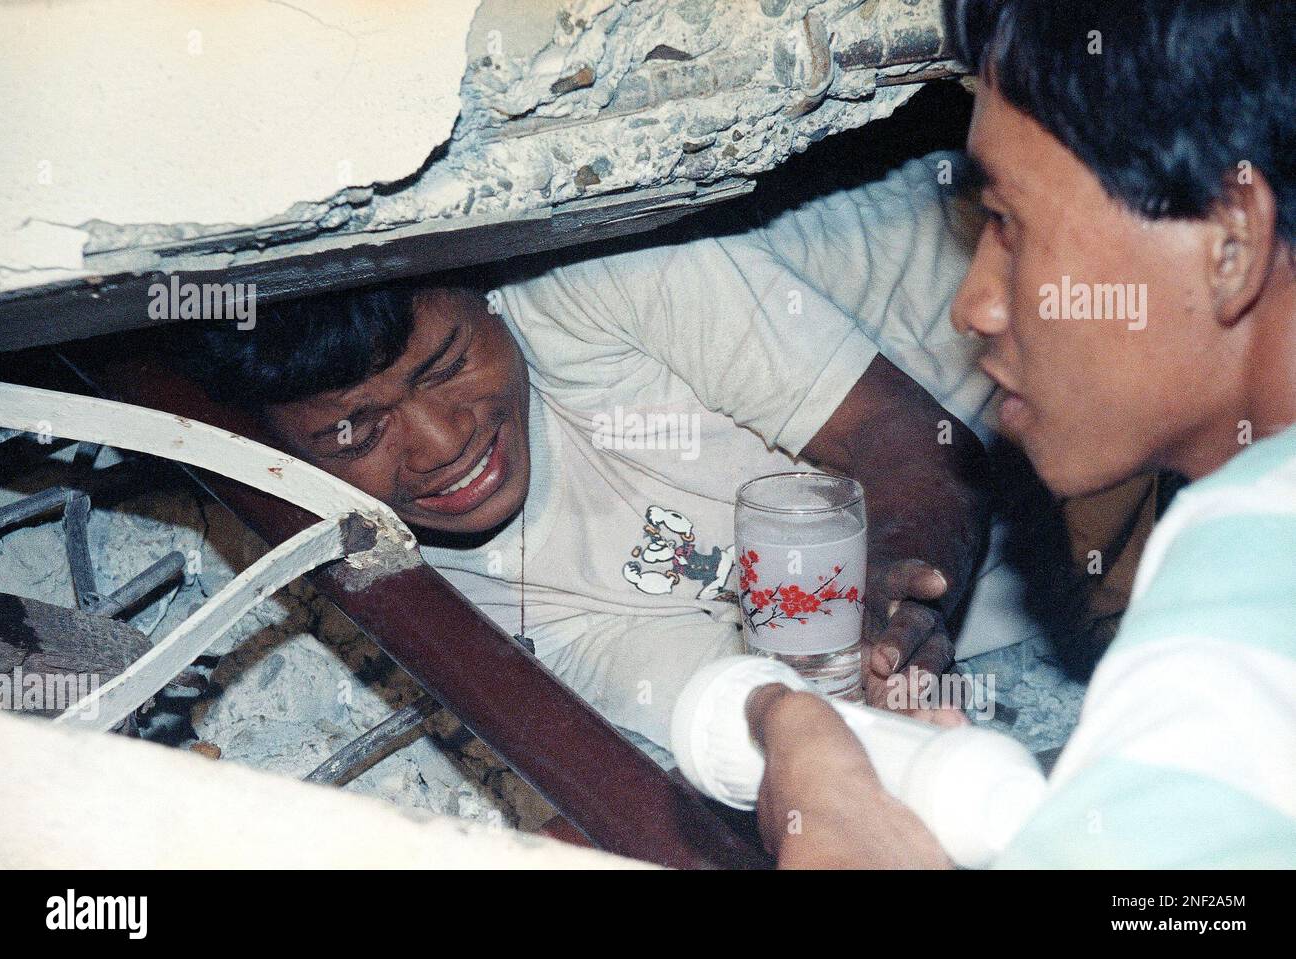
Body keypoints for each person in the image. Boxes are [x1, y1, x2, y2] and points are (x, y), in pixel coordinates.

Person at [178, 151, 1025, 750]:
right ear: (280, 450)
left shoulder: (599, 281)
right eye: (355, 432)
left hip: (1052, 284)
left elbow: (910, 439)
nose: (442, 443)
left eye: (447, 366)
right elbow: (750, 704)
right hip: (1036, 523)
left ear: (488, 295)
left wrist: (900, 585)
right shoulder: (472, 599)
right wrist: (857, 705)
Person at [748, 0, 1296, 867]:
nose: (976, 305)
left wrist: (852, 848)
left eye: (1007, 221)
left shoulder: (1258, 552)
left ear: (1231, 239)